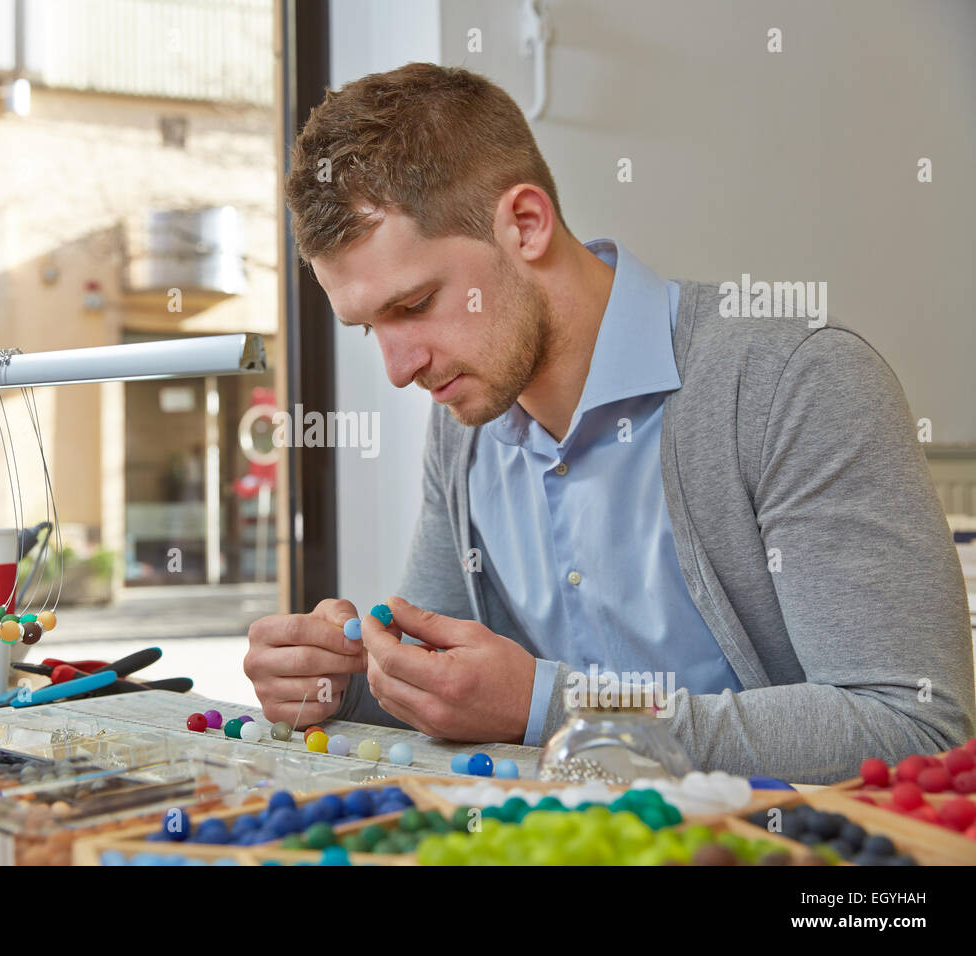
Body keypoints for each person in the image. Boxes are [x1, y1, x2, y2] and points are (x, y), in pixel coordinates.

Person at [244, 63, 974, 783]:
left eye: (413, 305)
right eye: (371, 327)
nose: (400, 368)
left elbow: (911, 727)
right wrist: (344, 682)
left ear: (526, 224)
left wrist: (553, 705)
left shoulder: (794, 380)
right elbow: (452, 689)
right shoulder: (467, 419)